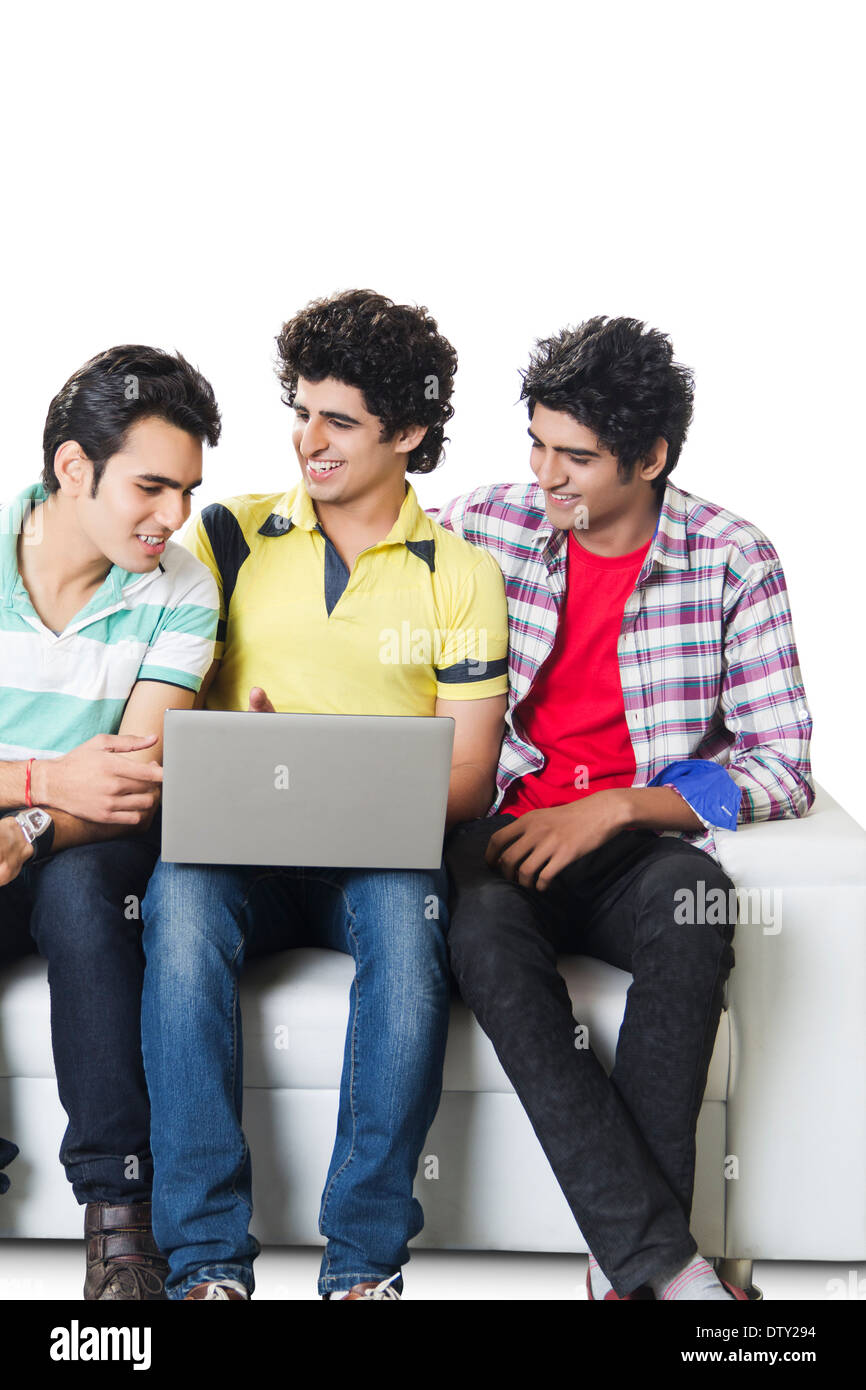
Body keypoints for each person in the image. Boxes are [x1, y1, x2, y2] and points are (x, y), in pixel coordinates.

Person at [139, 289, 509, 1300]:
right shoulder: (228, 534)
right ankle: (206, 1262)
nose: (309, 439)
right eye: (300, 411)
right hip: (234, 846)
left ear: (409, 430)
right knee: (176, 908)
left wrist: (342, 775)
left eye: (338, 420)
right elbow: (157, 702)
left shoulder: (461, 574)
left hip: (379, 856)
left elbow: (470, 775)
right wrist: (242, 753)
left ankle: (362, 1266)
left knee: (406, 924)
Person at [438, 315, 813, 1301]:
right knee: (478, 934)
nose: (544, 476)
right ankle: (658, 1268)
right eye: (534, 442)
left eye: (576, 457)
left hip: (635, 838)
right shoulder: (478, 524)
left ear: (649, 457)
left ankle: (629, 1265)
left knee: (695, 914)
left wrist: (616, 809)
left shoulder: (730, 555)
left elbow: (780, 762)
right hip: (500, 831)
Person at [0, 346, 221, 1298]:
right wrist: (48, 775)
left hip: (86, 852)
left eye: (188, 490)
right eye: (152, 487)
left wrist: (28, 824)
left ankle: (121, 1221)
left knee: (90, 895)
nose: (174, 518)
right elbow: (88, 774)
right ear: (71, 469)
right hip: (39, 814)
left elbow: (133, 784)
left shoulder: (181, 586)